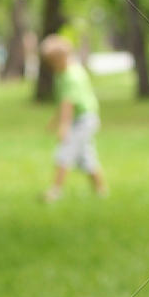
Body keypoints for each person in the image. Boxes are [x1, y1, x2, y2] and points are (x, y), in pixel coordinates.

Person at [38, 34, 109, 203]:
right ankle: (101, 190)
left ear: (62, 58)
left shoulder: (71, 75)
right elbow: (63, 102)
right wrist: (55, 120)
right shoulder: (63, 73)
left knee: (64, 153)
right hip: (82, 119)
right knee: (86, 158)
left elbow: (69, 104)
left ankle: (55, 191)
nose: (51, 67)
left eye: (52, 62)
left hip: (83, 120)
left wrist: (63, 126)